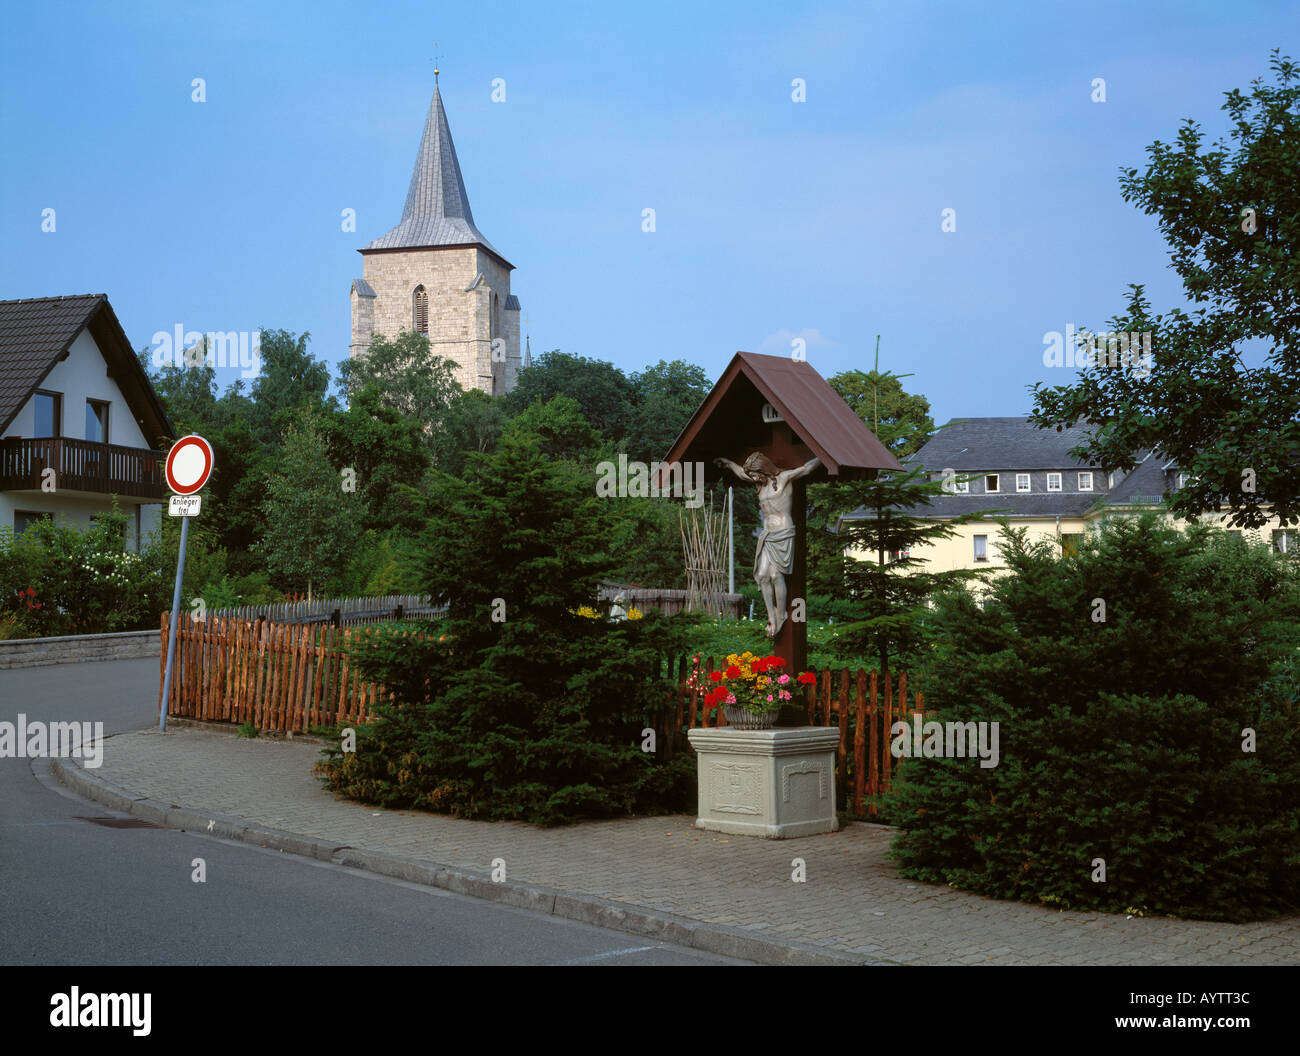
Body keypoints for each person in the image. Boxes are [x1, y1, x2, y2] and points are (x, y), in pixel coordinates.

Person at [714, 452, 821, 637]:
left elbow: (806, 469)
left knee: (775, 575)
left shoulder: (784, 478)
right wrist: (730, 462)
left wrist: (823, 455)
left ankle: (781, 614)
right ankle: (771, 616)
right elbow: (741, 473)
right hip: (767, 533)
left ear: (764, 469)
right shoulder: (759, 483)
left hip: (784, 532)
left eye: (756, 474)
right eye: (753, 475)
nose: (754, 478)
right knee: (762, 576)